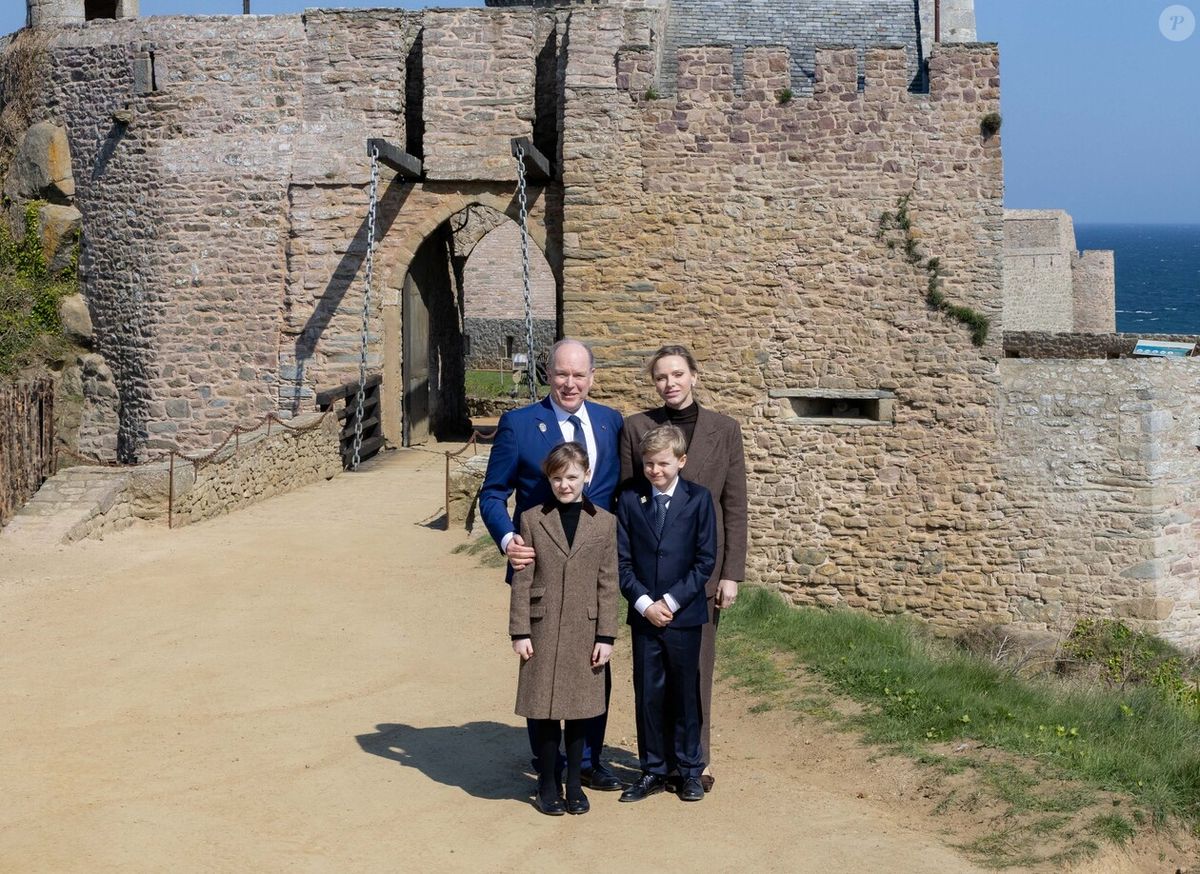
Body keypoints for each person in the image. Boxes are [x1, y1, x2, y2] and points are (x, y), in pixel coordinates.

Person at [479, 338, 625, 792]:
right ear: (549, 374)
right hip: (539, 569)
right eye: (562, 373)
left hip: (590, 574)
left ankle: (588, 760)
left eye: (579, 375)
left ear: (592, 378)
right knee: (541, 666)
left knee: (593, 666)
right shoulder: (520, 424)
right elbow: (492, 492)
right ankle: (548, 765)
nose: (570, 383)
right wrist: (508, 539)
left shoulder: (609, 422)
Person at [618, 344, 747, 793]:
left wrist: (731, 572)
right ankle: (657, 764)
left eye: (677, 374)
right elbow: (626, 498)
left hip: (701, 572)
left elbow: (734, 504)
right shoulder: (637, 428)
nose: (669, 384)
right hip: (650, 572)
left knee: (695, 672)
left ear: (694, 375)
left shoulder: (725, 430)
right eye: (660, 377)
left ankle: (695, 763)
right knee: (652, 676)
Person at [509, 442, 619, 815]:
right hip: (541, 628)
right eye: (556, 478)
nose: (564, 485)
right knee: (542, 711)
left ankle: (575, 785)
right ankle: (547, 784)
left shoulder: (605, 522)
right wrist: (519, 631)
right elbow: (523, 581)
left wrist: (606, 635)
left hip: (585, 631)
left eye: (572, 477)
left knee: (578, 713)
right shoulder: (530, 518)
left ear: (587, 475)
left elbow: (608, 583)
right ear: (549, 479)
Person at [615, 424, 717, 803]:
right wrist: (644, 603)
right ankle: (653, 769)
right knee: (648, 694)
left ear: (681, 461)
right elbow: (622, 561)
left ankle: (689, 770)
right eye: (648, 464)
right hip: (644, 617)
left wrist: (670, 603)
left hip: (684, 616)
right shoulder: (629, 500)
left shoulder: (699, 499)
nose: (655, 471)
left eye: (662, 463)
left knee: (685, 693)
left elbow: (705, 560)